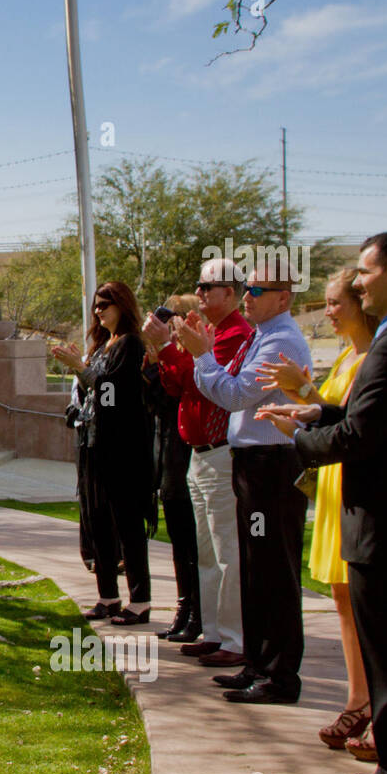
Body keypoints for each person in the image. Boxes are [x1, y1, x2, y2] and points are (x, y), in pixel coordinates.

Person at [260, 230, 387, 774]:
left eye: (363, 273)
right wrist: (314, 410)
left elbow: (362, 438)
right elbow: (365, 415)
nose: (356, 283)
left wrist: (302, 439)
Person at [174, 256, 312, 704]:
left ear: (283, 297)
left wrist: (200, 356)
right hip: (253, 463)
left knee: (274, 571)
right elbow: (228, 383)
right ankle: (257, 664)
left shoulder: (281, 342)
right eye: (247, 289)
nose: (247, 297)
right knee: (256, 570)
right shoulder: (263, 337)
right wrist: (206, 360)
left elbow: (233, 396)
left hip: (273, 464)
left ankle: (279, 675)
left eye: (255, 291)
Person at [256, 268, 375, 754]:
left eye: (334, 303)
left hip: (353, 485)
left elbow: (347, 422)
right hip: (333, 486)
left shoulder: (374, 358)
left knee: (366, 608)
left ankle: (375, 712)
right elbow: (330, 411)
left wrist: (300, 395)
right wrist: (300, 407)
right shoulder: (349, 355)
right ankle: (358, 700)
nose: (327, 312)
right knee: (344, 601)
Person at [143, 259, 251, 654]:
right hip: (197, 450)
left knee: (227, 553)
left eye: (209, 287)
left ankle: (235, 640)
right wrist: (165, 349)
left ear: (230, 293)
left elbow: (200, 383)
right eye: (200, 286)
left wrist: (173, 346)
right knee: (206, 552)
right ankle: (214, 633)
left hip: (221, 452)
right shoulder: (211, 332)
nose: (202, 293)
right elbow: (175, 387)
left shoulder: (234, 334)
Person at [51, 281, 154, 625]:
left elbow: (112, 391)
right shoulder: (100, 345)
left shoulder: (130, 344)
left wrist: (80, 368)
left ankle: (140, 601)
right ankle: (107, 596)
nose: (99, 309)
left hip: (122, 449)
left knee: (127, 524)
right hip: (92, 444)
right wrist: (79, 371)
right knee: (97, 521)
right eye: (96, 304)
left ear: (123, 305)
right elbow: (91, 390)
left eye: (106, 303)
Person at [141, 294, 201, 642]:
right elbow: (154, 402)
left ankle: (198, 611)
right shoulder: (163, 360)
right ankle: (184, 607)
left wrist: (166, 353)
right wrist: (153, 361)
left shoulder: (190, 357)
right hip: (166, 453)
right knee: (179, 539)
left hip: (185, 453)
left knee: (194, 543)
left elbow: (177, 396)